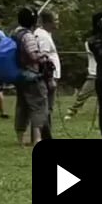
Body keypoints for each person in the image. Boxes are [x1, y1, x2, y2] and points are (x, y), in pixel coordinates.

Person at [10, 8, 49, 146]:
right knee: (38, 104)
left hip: (19, 75)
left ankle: (20, 138)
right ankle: (37, 138)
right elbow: (33, 55)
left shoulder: (15, 33)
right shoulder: (28, 36)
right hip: (31, 75)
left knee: (22, 106)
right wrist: (43, 56)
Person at [33, 10, 62, 139]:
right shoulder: (43, 37)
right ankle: (46, 135)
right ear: (47, 22)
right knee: (47, 107)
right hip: (48, 76)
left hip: (50, 75)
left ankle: (43, 133)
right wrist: (50, 78)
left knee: (46, 106)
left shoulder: (44, 34)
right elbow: (44, 59)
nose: (57, 22)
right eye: (55, 20)